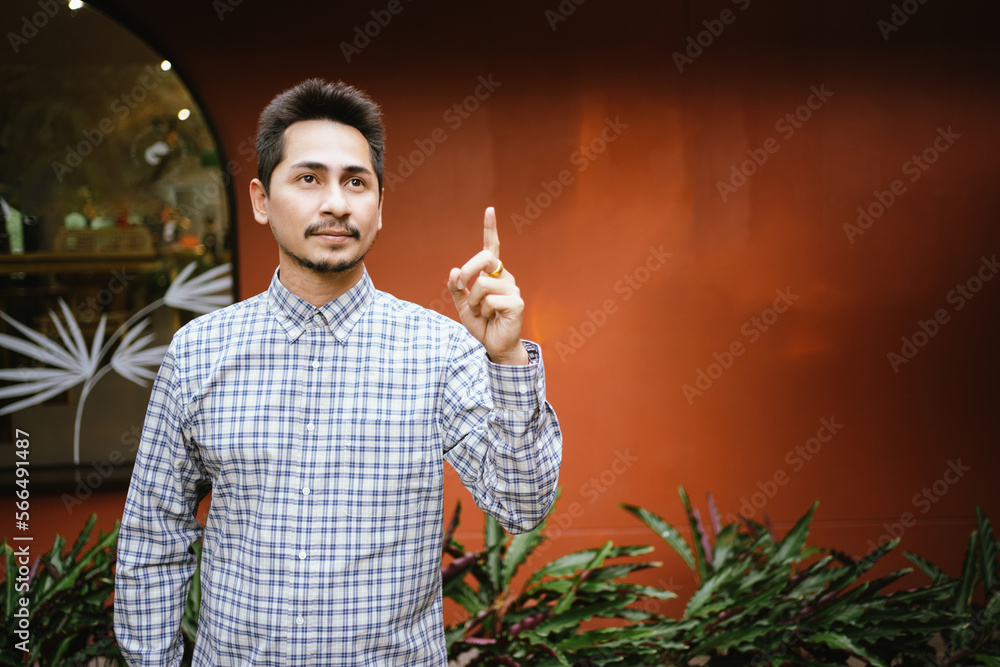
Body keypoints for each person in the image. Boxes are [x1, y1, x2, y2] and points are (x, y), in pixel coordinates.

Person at [114, 79, 562, 665]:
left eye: (357, 182)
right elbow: (154, 536)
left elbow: (521, 505)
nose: (336, 203)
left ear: (380, 206)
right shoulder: (199, 353)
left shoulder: (441, 351)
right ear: (259, 199)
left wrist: (505, 358)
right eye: (308, 178)